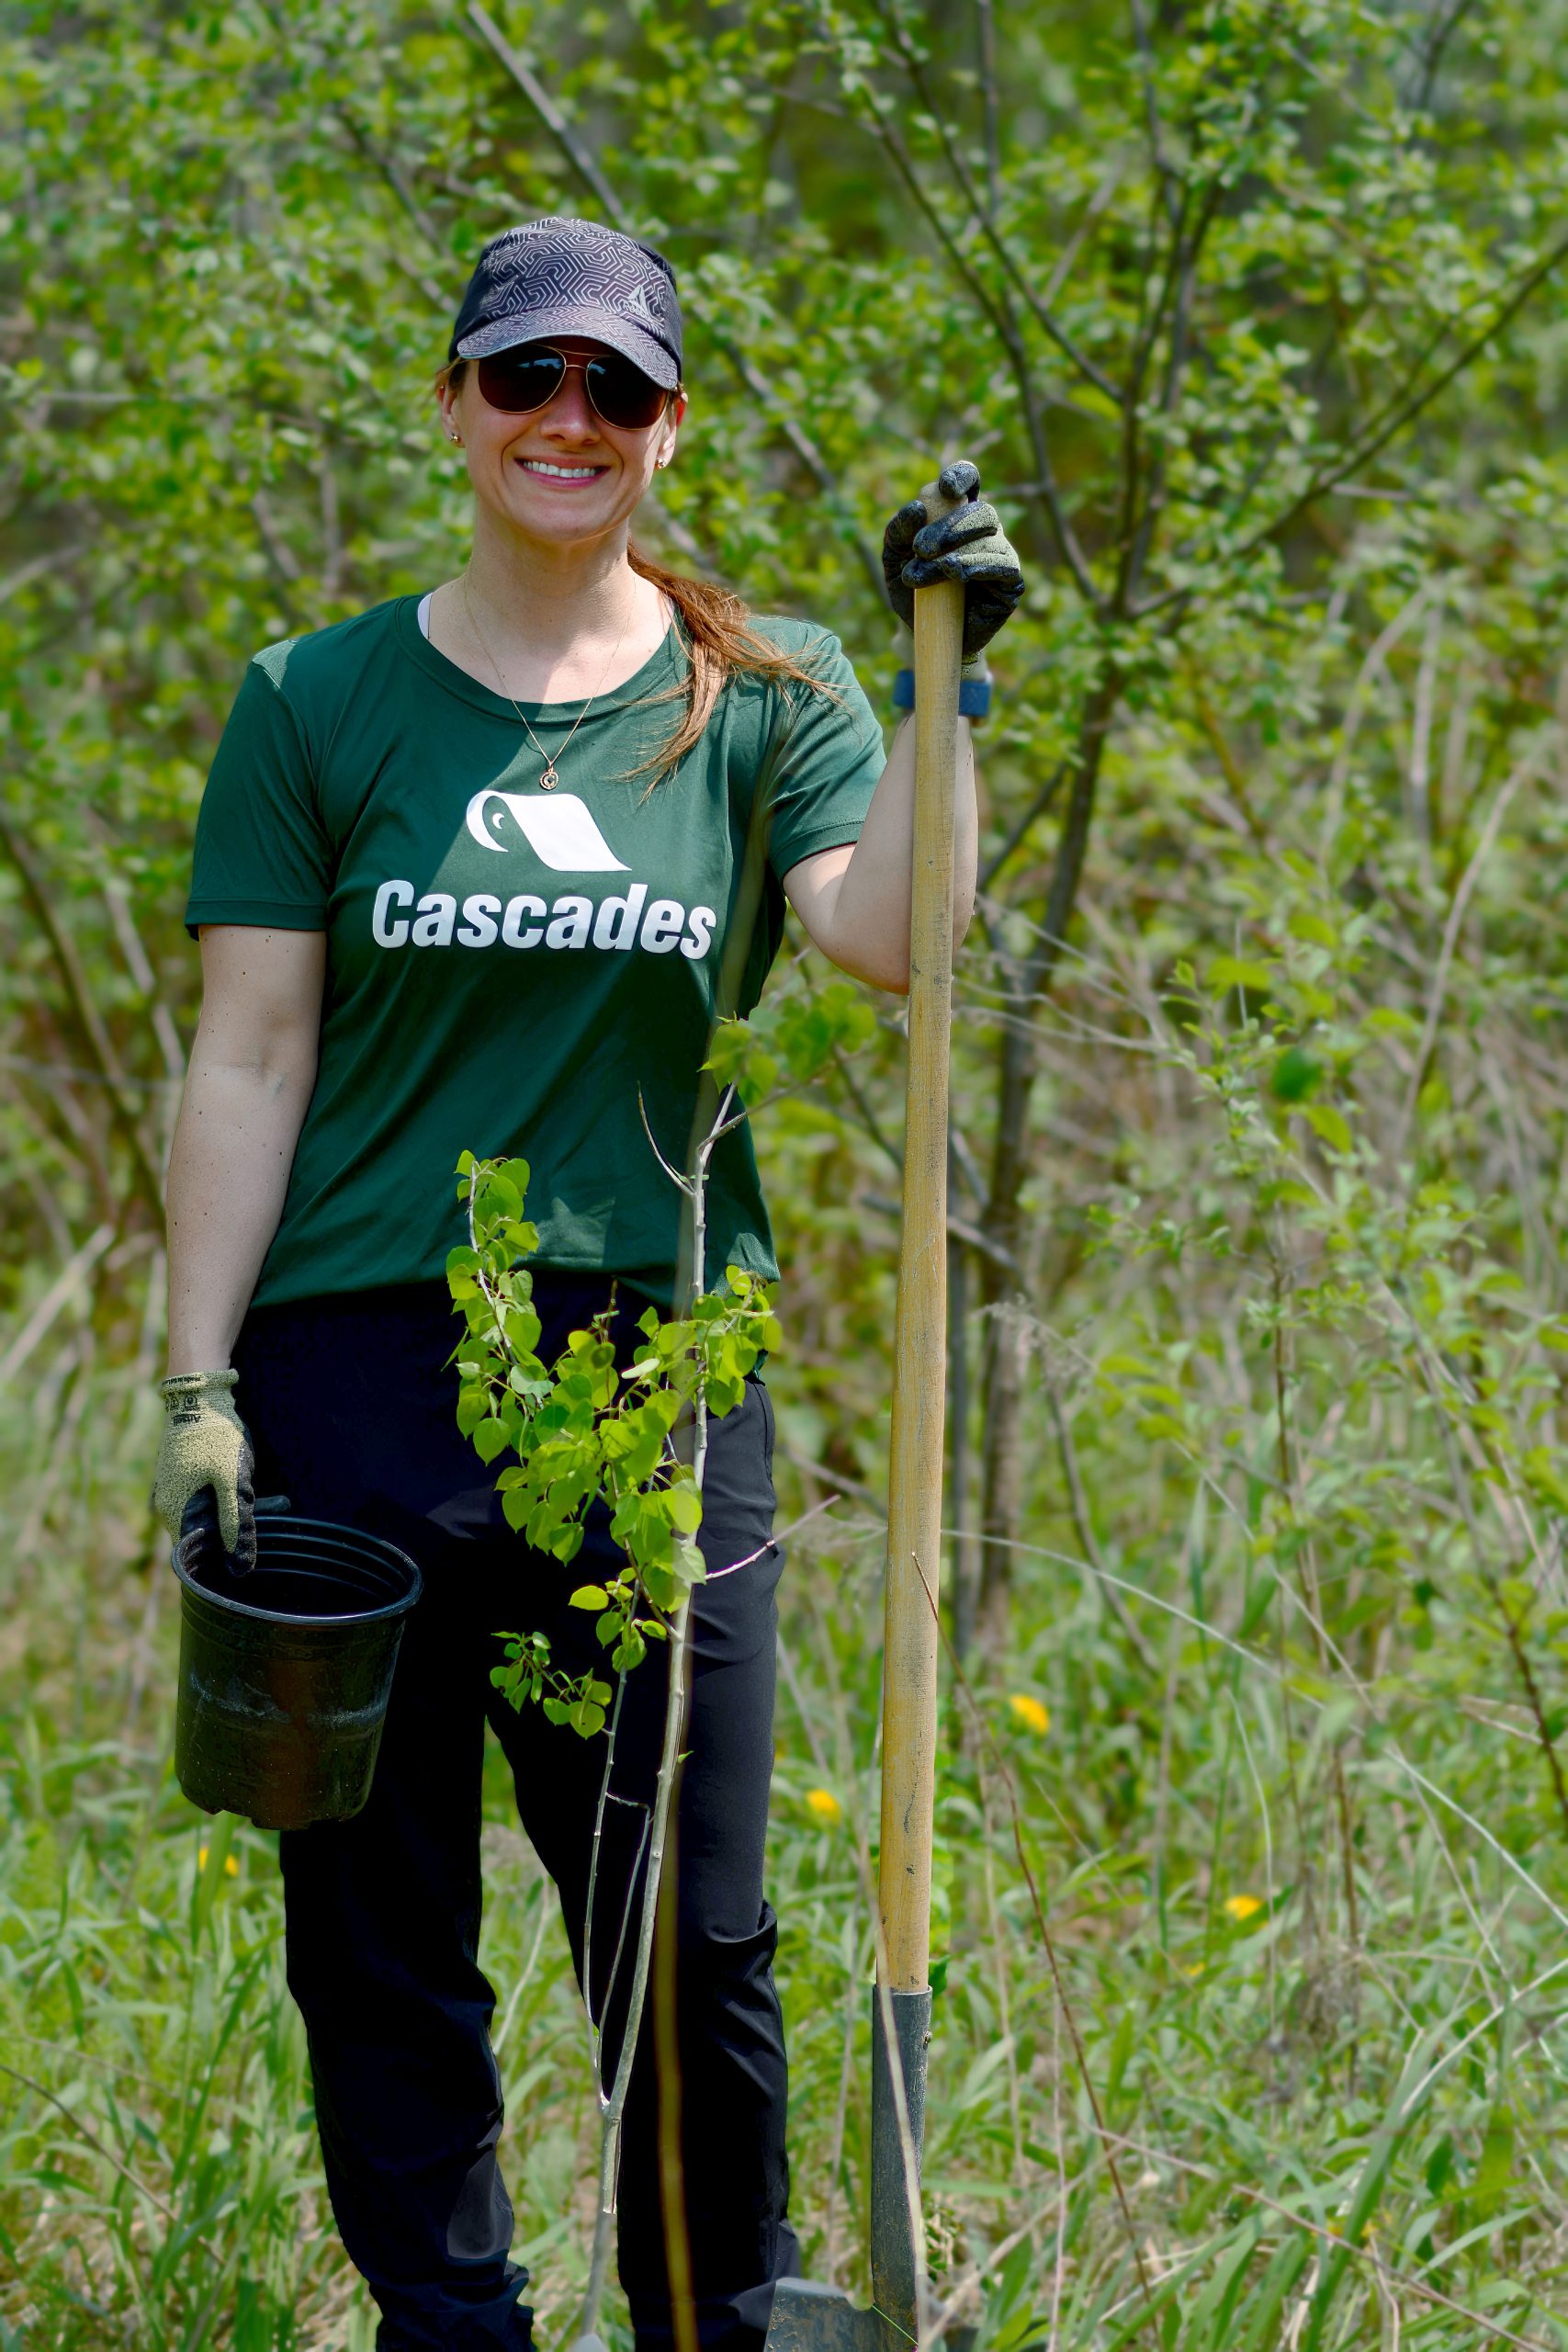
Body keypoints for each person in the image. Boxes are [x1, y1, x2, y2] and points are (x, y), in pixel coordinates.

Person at [151, 216, 1022, 2352]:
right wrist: (194, 1381)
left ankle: (715, 2319)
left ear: (665, 426)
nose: (567, 422)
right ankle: (454, 2330)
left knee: (686, 1923)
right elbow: (252, 1052)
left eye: (611, 391)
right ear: (453, 403)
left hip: (657, 1374)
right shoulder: (313, 700)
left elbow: (893, 941)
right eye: (525, 380)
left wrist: (945, 691)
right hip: (359, 1370)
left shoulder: (768, 692)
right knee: (377, 1930)